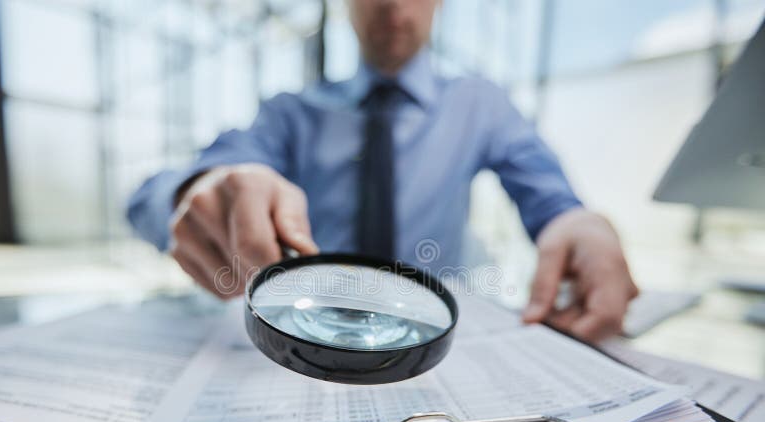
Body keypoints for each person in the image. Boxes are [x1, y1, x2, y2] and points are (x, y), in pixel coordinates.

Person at [127, 0, 638, 342]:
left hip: (435, 344)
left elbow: (546, 193)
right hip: (303, 340)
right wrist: (199, 190)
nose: (393, 4)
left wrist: (577, 220)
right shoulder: (291, 113)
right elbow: (160, 191)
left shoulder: (480, 105)